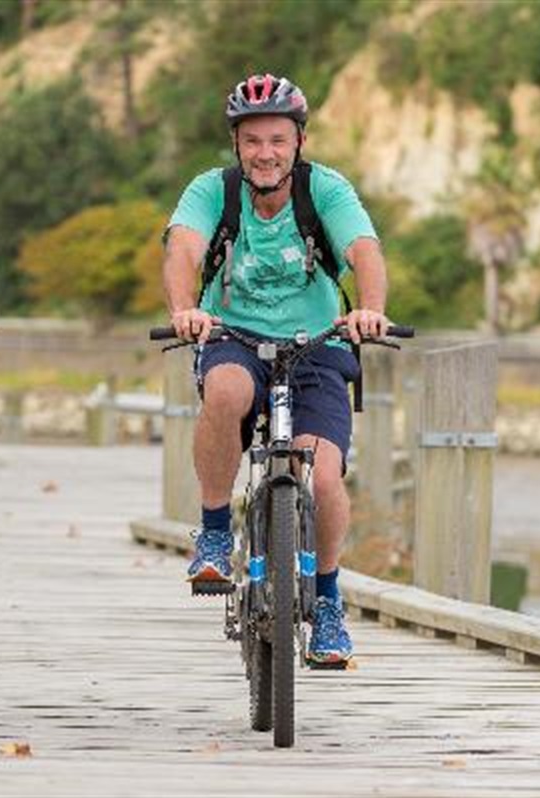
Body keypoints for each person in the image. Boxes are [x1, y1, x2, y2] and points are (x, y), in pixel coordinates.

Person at [161, 74, 393, 667]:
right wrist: (185, 310)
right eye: (253, 140)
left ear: (299, 142)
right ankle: (215, 530)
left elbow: (364, 251)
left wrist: (370, 310)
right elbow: (183, 249)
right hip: (231, 335)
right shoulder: (214, 191)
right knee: (225, 389)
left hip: (316, 343)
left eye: (278, 141)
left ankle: (329, 600)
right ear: (237, 145)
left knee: (322, 476)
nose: (265, 153)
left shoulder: (327, 191)